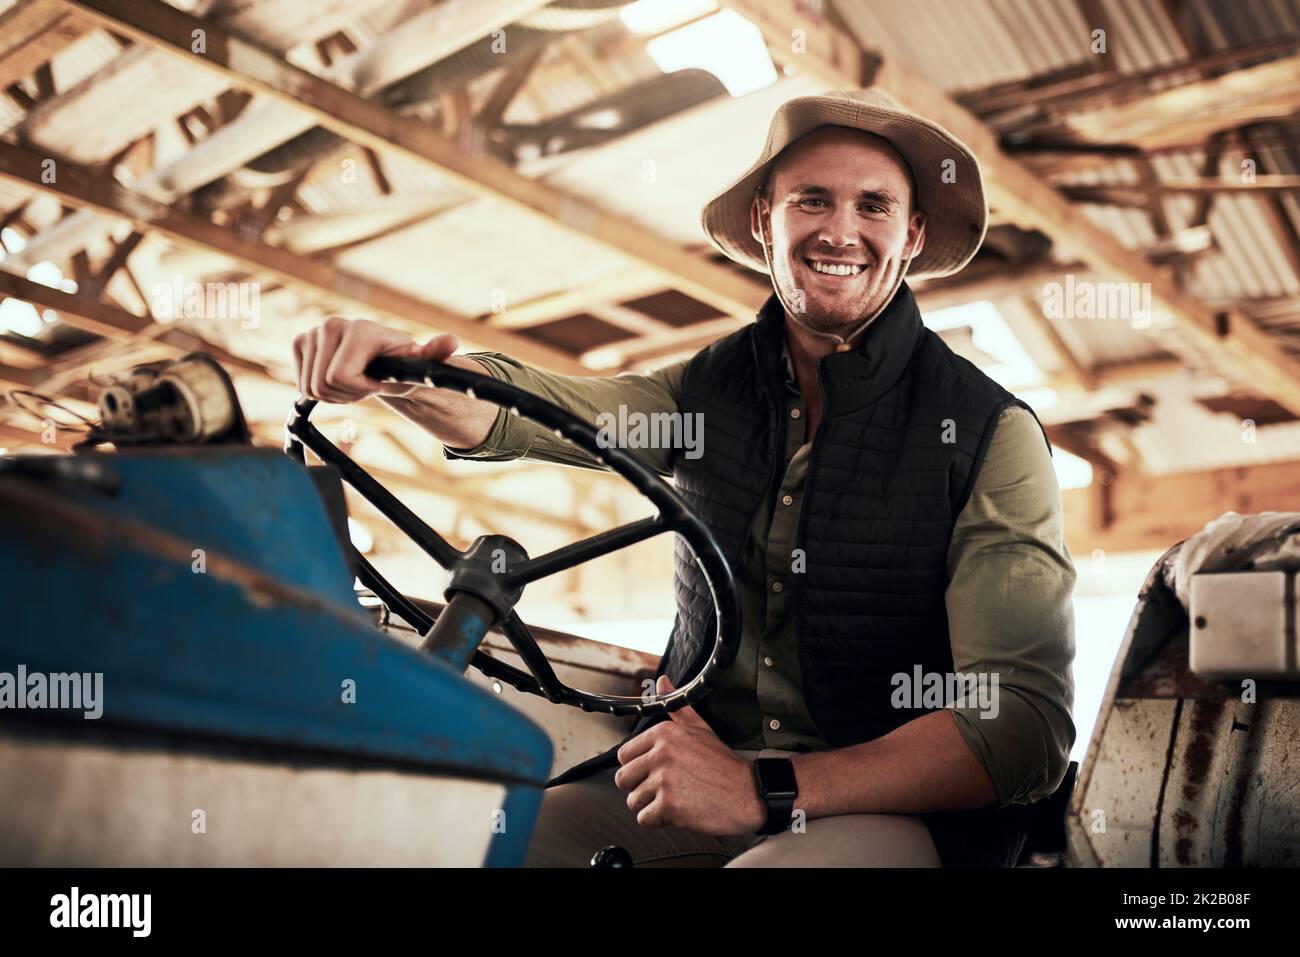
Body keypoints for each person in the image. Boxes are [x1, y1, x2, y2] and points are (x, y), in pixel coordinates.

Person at [292, 89, 1076, 868]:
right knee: (488, 844)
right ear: (767, 219)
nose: (841, 230)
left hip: (889, 808)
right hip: (695, 777)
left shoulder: (987, 436)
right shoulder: (706, 394)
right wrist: (410, 375)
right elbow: (549, 412)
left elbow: (1019, 727)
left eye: (873, 206)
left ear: (911, 234)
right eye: (812, 200)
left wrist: (762, 786)